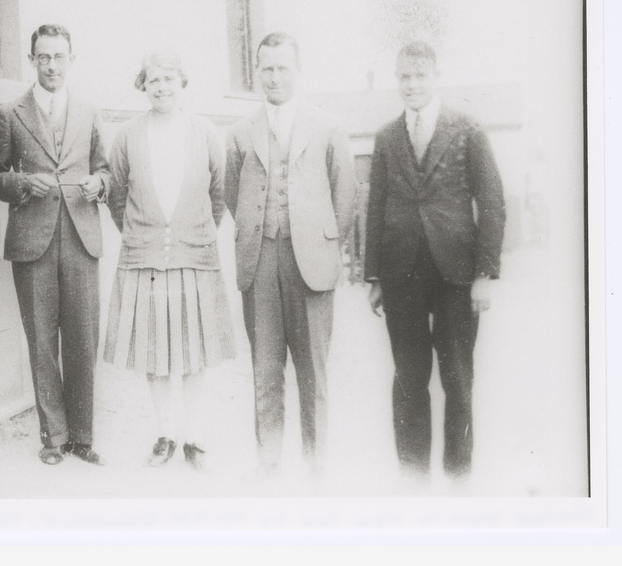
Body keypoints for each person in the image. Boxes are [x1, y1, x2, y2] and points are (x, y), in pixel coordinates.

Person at [365, 41, 505, 479]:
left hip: (456, 274)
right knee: (408, 375)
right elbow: (376, 206)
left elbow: (493, 202)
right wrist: (374, 275)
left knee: (458, 377)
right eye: (404, 76)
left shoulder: (467, 129)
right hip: (401, 272)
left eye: (419, 75)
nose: (411, 84)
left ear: (436, 75)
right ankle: (413, 473)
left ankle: (459, 473)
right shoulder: (387, 136)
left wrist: (484, 273)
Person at [224, 32, 355, 473]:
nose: (274, 77)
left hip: (311, 264)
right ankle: (268, 461)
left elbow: (345, 198)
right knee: (265, 367)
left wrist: (321, 243)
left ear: (298, 71)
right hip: (259, 261)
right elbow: (231, 195)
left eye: (283, 68)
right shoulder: (241, 133)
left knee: (313, 371)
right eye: (266, 68)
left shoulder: (328, 127)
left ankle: (317, 465)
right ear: (257, 72)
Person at [104, 51, 236, 471]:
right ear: (142, 85)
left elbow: (219, 195)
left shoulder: (205, 132)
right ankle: (165, 433)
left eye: (169, 79)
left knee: (194, 352)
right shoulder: (126, 135)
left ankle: (193, 436)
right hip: (145, 258)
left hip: (194, 256)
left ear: (183, 83)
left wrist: (192, 232)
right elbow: (117, 196)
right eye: (153, 79)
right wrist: (143, 232)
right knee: (154, 352)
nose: (161, 87)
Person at [0, 24, 110, 466]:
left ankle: (83, 435)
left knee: (82, 337)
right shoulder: (10, 114)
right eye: (44, 57)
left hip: (80, 236)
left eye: (59, 57)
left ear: (71, 60)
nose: (52, 65)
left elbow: (105, 170)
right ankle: (53, 436)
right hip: (33, 240)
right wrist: (21, 183)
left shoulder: (89, 112)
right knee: (41, 341)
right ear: (33, 61)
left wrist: (100, 183)